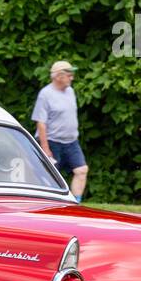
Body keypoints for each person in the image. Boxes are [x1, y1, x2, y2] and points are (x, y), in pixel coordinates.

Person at [32, 60, 88, 199]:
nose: (72, 78)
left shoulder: (70, 91)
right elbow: (41, 123)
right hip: (51, 141)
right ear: (58, 76)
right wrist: (45, 147)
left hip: (71, 142)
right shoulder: (45, 94)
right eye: (69, 75)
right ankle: (50, 205)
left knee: (81, 170)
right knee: (50, 177)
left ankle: (76, 203)